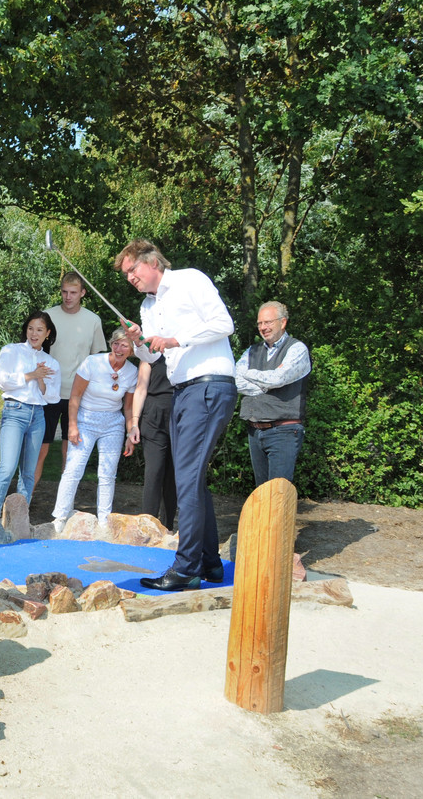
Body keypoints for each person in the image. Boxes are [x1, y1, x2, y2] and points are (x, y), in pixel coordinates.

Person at [116, 239, 237, 591]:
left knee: (185, 477)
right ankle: (211, 564)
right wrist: (141, 342)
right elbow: (153, 360)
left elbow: (223, 324)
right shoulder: (146, 306)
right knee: (191, 476)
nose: (130, 278)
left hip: (210, 384)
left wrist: (173, 339)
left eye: (132, 270)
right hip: (182, 390)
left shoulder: (189, 280)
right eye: (126, 275)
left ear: (152, 260)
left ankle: (187, 569)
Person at [52, 328, 138, 529]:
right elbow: (75, 396)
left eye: (124, 345)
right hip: (85, 419)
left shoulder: (132, 372)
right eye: (116, 343)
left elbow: (128, 406)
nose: (119, 348)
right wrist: (72, 426)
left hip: (113, 423)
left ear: (132, 350)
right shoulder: (93, 362)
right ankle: (60, 517)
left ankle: (104, 520)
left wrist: (130, 431)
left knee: (107, 473)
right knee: (74, 468)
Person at [0, 311, 60, 522]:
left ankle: (17, 520)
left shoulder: (50, 361)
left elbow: (52, 396)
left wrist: (41, 380)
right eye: (31, 328)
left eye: (40, 330)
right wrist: (32, 375)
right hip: (15, 412)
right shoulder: (11, 351)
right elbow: (3, 381)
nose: (34, 333)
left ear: (48, 333)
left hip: (38, 416)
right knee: (7, 467)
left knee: (29, 472)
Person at [34, 272, 107, 492]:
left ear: (82, 293)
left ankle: (64, 504)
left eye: (73, 292)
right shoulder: (48, 316)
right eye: (64, 291)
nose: (68, 297)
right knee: (40, 449)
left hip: (77, 396)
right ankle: (25, 498)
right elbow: (33, 350)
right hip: (47, 392)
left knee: (70, 450)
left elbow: (98, 359)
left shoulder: (93, 320)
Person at [236, 300, 311, 487]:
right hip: (255, 430)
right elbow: (236, 380)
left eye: (268, 322)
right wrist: (264, 385)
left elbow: (278, 378)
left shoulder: (297, 349)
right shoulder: (252, 351)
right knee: (262, 494)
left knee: (278, 494)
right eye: (260, 323)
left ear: (283, 322)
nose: (263, 327)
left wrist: (251, 375)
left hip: (284, 430)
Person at [127, 356, 178, 529]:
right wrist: (134, 423)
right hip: (153, 416)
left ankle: (167, 526)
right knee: (154, 473)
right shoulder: (150, 355)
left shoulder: (186, 351)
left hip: (180, 414)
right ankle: (147, 525)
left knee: (173, 476)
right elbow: (140, 388)